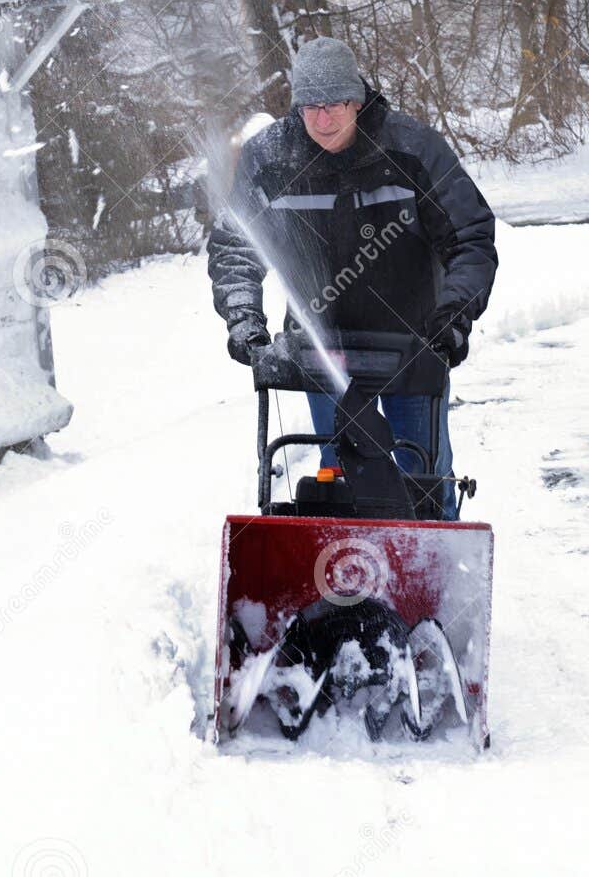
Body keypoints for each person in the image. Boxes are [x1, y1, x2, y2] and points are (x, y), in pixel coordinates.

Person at [205, 37, 498, 520]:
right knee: (342, 477)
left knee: (420, 478)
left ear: (357, 101)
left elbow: (470, 236)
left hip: (412, 345)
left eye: (335, 104)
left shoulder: (412, 150)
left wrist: (454, 318)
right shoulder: (271, 160)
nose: (322, 119)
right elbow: (235, 245)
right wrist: (244, 319)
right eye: (310, 107)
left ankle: (434, 568)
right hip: (322, 350)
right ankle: (347, 582)